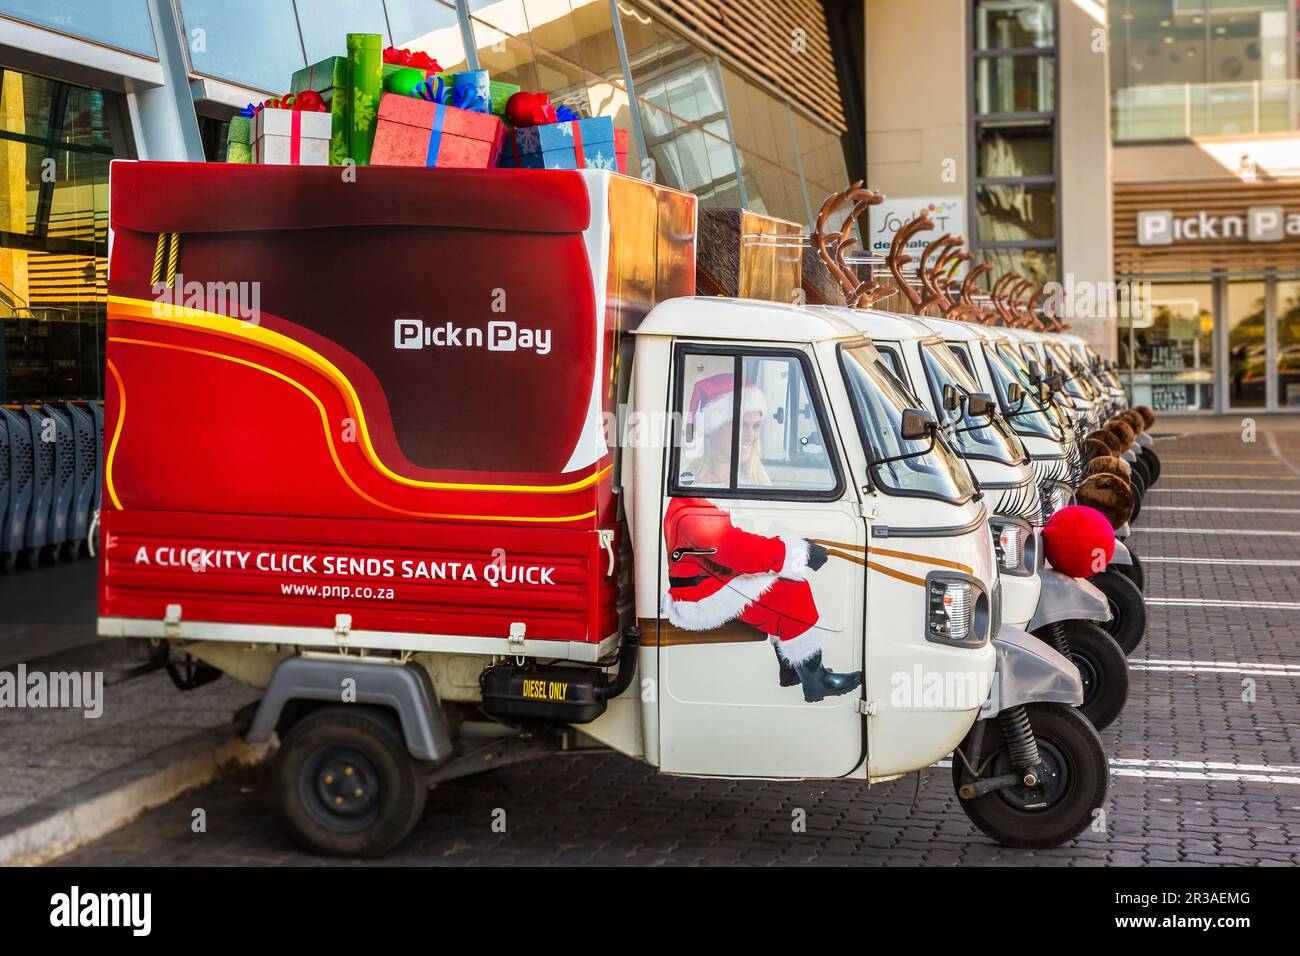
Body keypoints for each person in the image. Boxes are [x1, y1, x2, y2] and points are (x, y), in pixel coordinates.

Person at [663, 372, 863, 702]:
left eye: (756, 426)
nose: (750, 436)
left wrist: (801, 541)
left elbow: (761, 529)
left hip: (719, 577)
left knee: (785, 585)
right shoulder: (696, 491)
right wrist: (794, 553)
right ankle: (812, 678)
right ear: (715, 428)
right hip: (702, 591)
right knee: (789, 591)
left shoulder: (734, 477)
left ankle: (794, 668)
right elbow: (734, 549)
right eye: (740, 424)